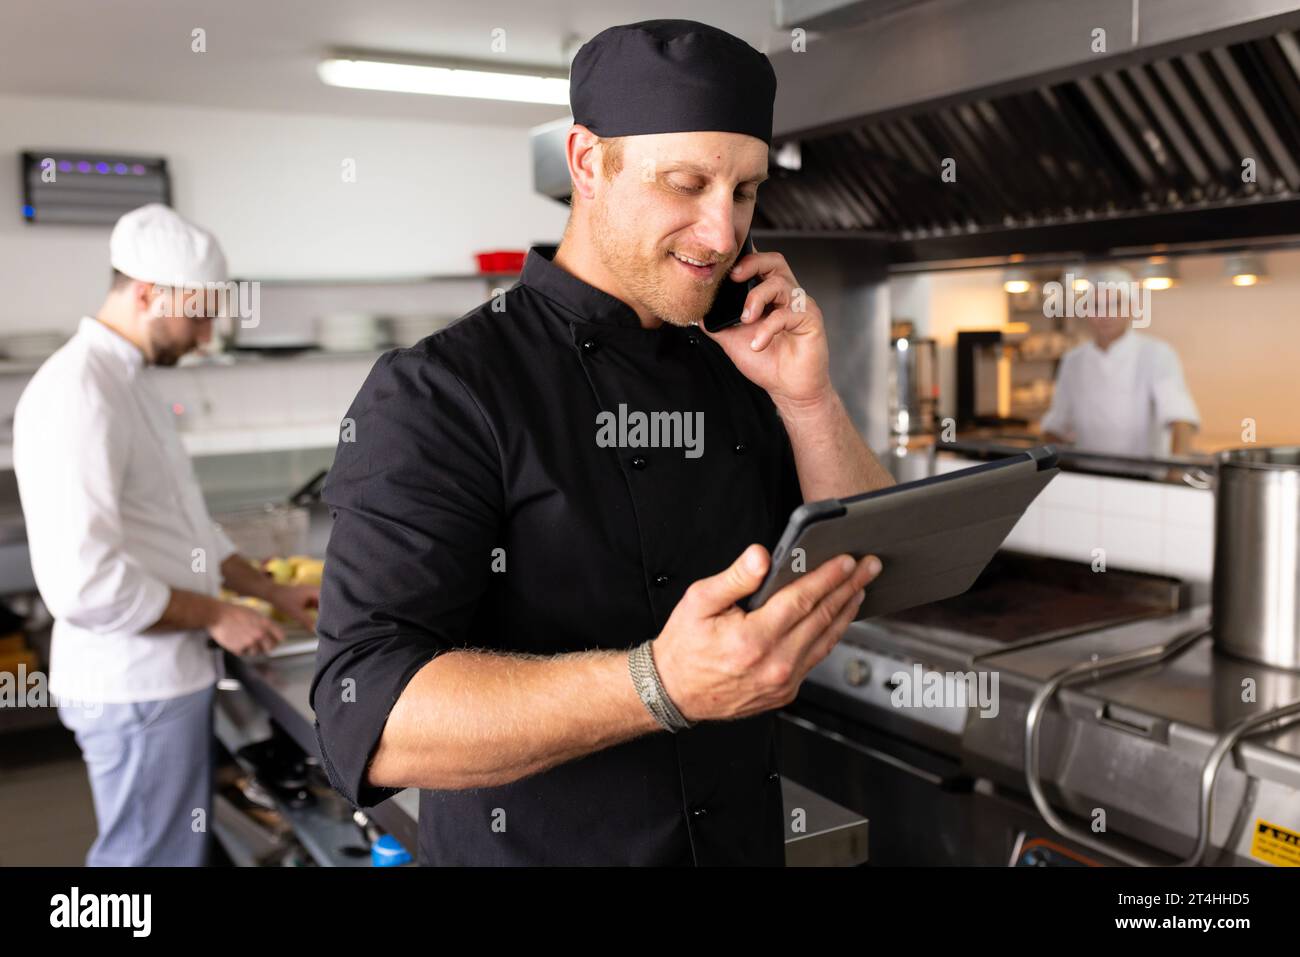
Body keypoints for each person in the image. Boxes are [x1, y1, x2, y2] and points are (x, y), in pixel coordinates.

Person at [311, 19, 893, 866]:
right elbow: (365, 716)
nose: (723, 231)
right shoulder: (443, 389)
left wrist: (809, 400)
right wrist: (657, 684)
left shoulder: (740, 364)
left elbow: (868, 567)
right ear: (588, 164)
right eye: (686, 183)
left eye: (744, 192)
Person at [13, 203, 319, 866]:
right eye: (200, 313)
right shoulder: (78, 392)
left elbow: (186, 528)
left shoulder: (133, 383)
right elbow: (84, 583)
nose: (206, 335)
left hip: (163, 679)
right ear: (150, 294)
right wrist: (216, 613)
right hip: (134, 684)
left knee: (172, 850)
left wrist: (267, 590)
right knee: (145, 864)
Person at [1041, 287, 1200, 459]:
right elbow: (1057, 423)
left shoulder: (1157, 353)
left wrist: (1175, 472)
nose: (1105, 314)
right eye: (1096, 306)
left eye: (1115, 304)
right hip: (1088, 473)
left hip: (1144, 475)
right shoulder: (1073, 360)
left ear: (1131, 308)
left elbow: (1180, 418)